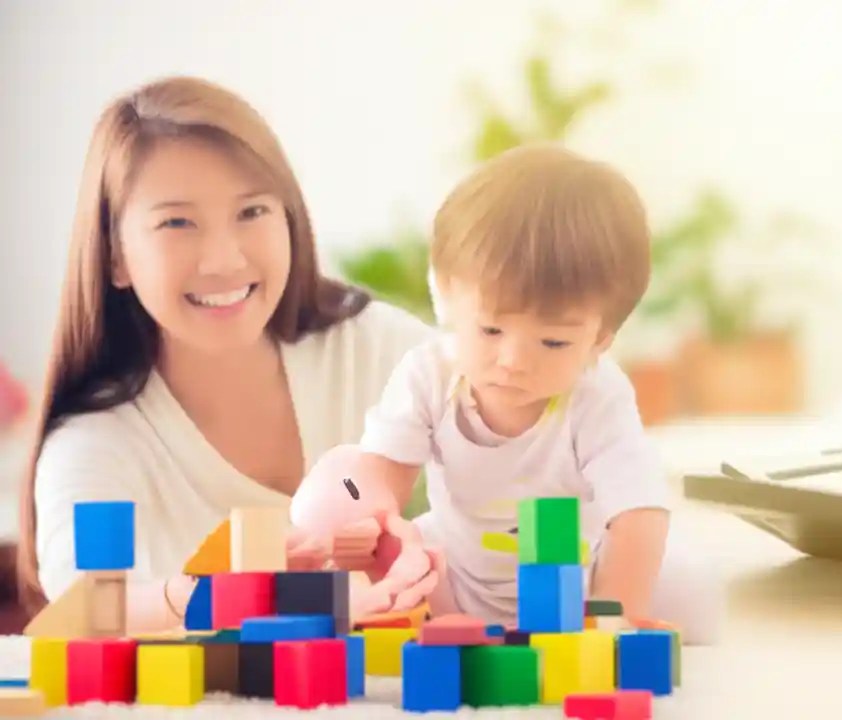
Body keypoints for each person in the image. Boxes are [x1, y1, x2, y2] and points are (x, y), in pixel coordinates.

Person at [16, 76, 434, 631]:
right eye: (177, 223)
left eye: (252, 212)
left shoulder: (372, 349)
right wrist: (216, 594)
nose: (224, 260)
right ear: (116, 257)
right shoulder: (99, 441)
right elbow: (78, 612)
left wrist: (434, 542)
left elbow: (529, 417)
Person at [356, 143, 722, 643]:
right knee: (383, 546)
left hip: (578, 580)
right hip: (454, 575)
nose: (513, 361)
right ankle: (448, 626)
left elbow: (638, 512)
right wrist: (372, 519)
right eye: (490, 330)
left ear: (601, 339)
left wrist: (612, 622)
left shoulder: (598, 395)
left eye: (553, 342)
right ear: (447, 294)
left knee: (691, 592)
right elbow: (378, 474)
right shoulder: (428, 374)